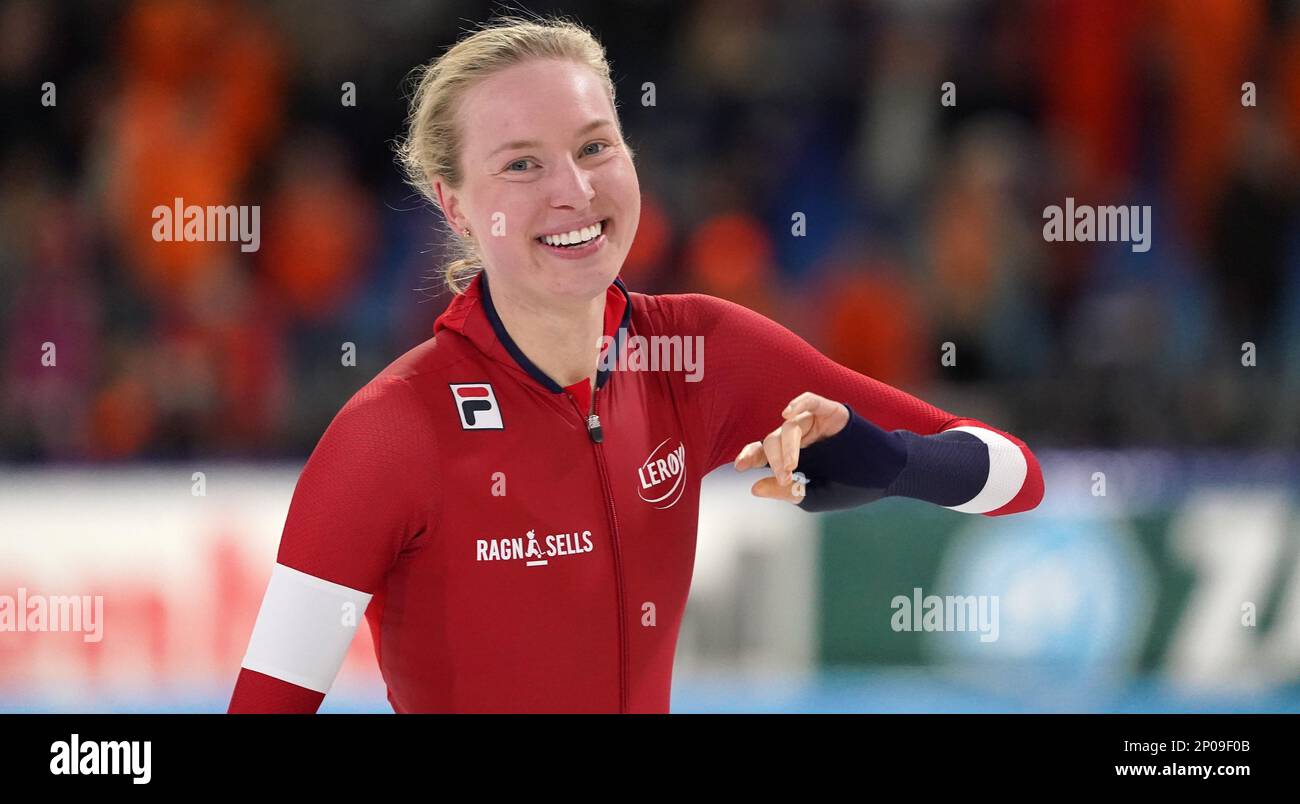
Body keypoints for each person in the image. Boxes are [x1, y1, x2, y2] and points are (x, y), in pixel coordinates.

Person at [227, 16, 1043, 714]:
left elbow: (1015, 479)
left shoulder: (700, 357)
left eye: (595, 146)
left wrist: (890, 459)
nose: (574, 189)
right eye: (521, 164)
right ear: (455, 206)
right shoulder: (390, 434)